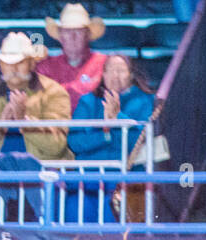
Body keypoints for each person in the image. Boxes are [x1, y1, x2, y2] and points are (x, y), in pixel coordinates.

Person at [0, 32, 71, 220]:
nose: (12, 67)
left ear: (31, 63)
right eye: (7, 62)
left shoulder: (55, 93)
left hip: (41, 173)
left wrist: (24, 122)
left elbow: (56, 145)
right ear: (0, 65)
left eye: (19, 62)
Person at [66, 54, 155, 223]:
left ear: (131, 75)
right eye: (110, 71)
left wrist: (117, 118)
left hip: (124, 182)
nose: (115, 76)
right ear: (103, 75)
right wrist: (105, 136)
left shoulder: (144, 101)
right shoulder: (88, 101)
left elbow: (136, 144)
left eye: (121, 70)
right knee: (77, 225)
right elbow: (75, 142)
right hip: (88, 179)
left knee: (115, 235)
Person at [36, 3, 108, 113]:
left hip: (93, 127)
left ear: (88, 35)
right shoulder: (46, 67)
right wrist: (83, 87)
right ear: (60, 36)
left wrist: (58, 91)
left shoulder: (104, 63)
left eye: (78, 31)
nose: (72, 36)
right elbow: (38, 100)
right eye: (67, 31)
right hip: (55, 126)